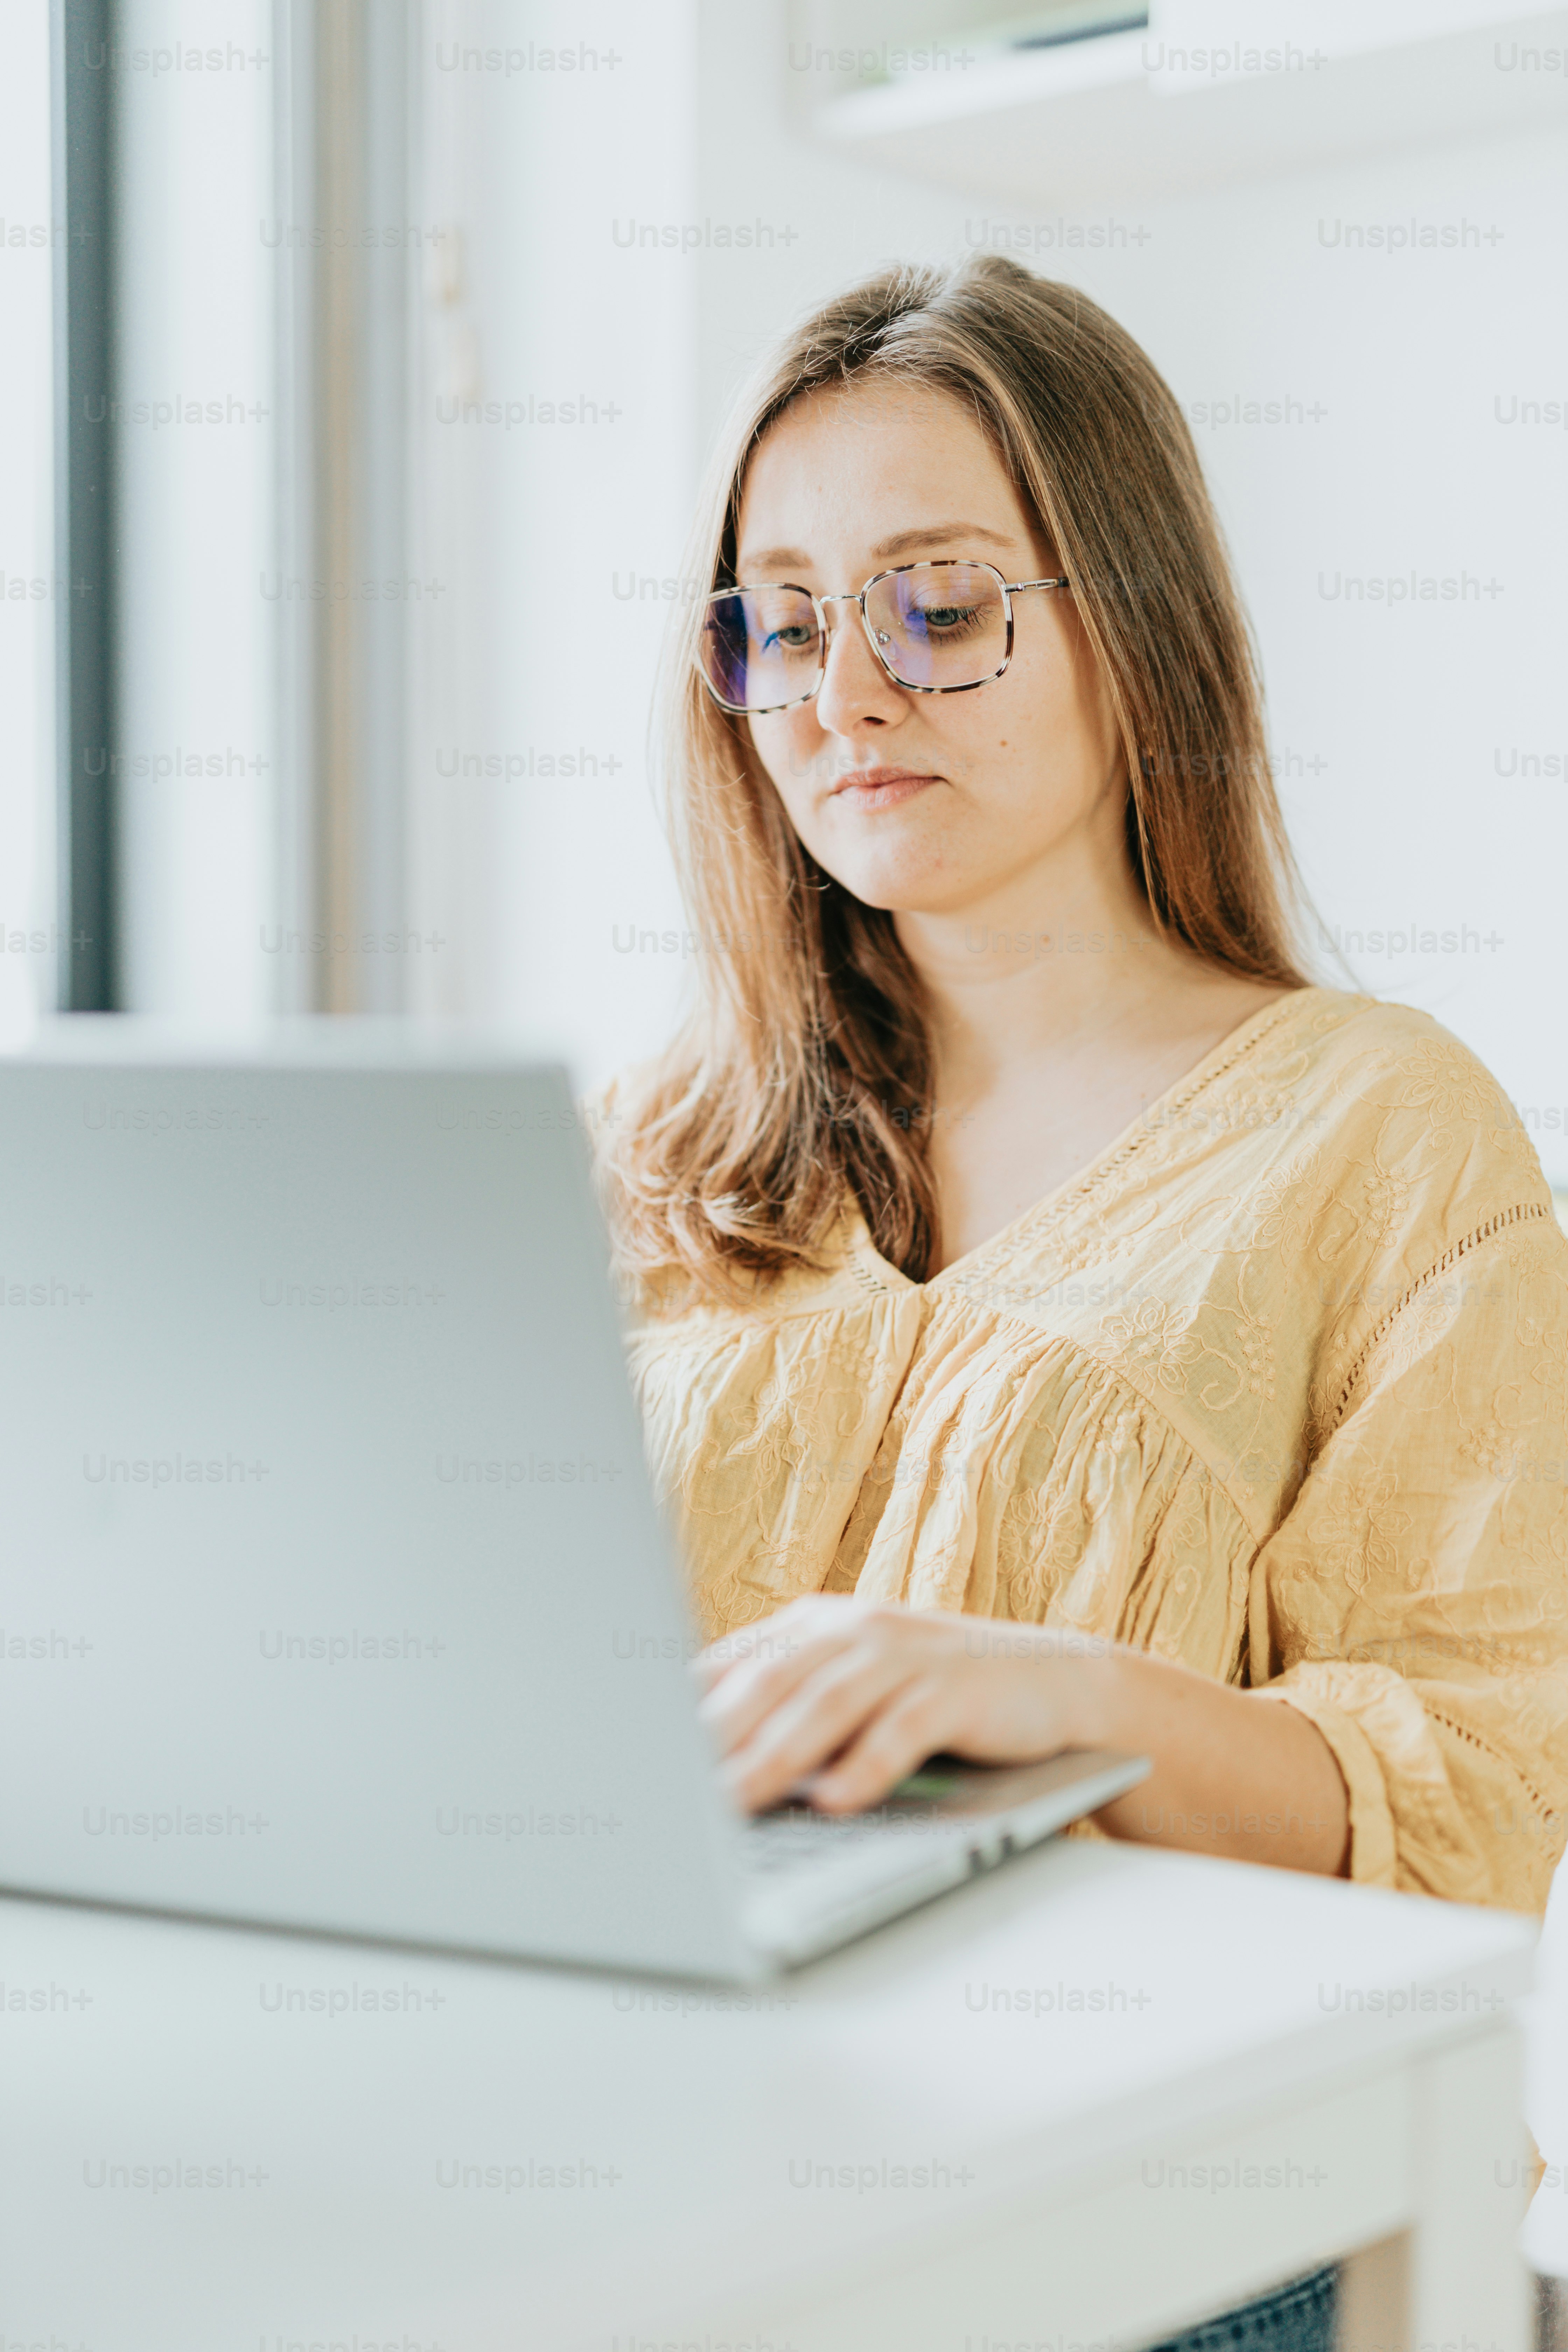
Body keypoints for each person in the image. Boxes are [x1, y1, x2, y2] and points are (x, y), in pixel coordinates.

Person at [598, 257, 1568, 2350]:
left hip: (1170, 2186)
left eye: (938, 607)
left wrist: (1072, 1704)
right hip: (704, 2120)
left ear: (1131, 619)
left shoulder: (1382, 1131)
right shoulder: (655, 1158)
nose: (842, 699)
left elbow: (1467, 1796)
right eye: (778, 623)